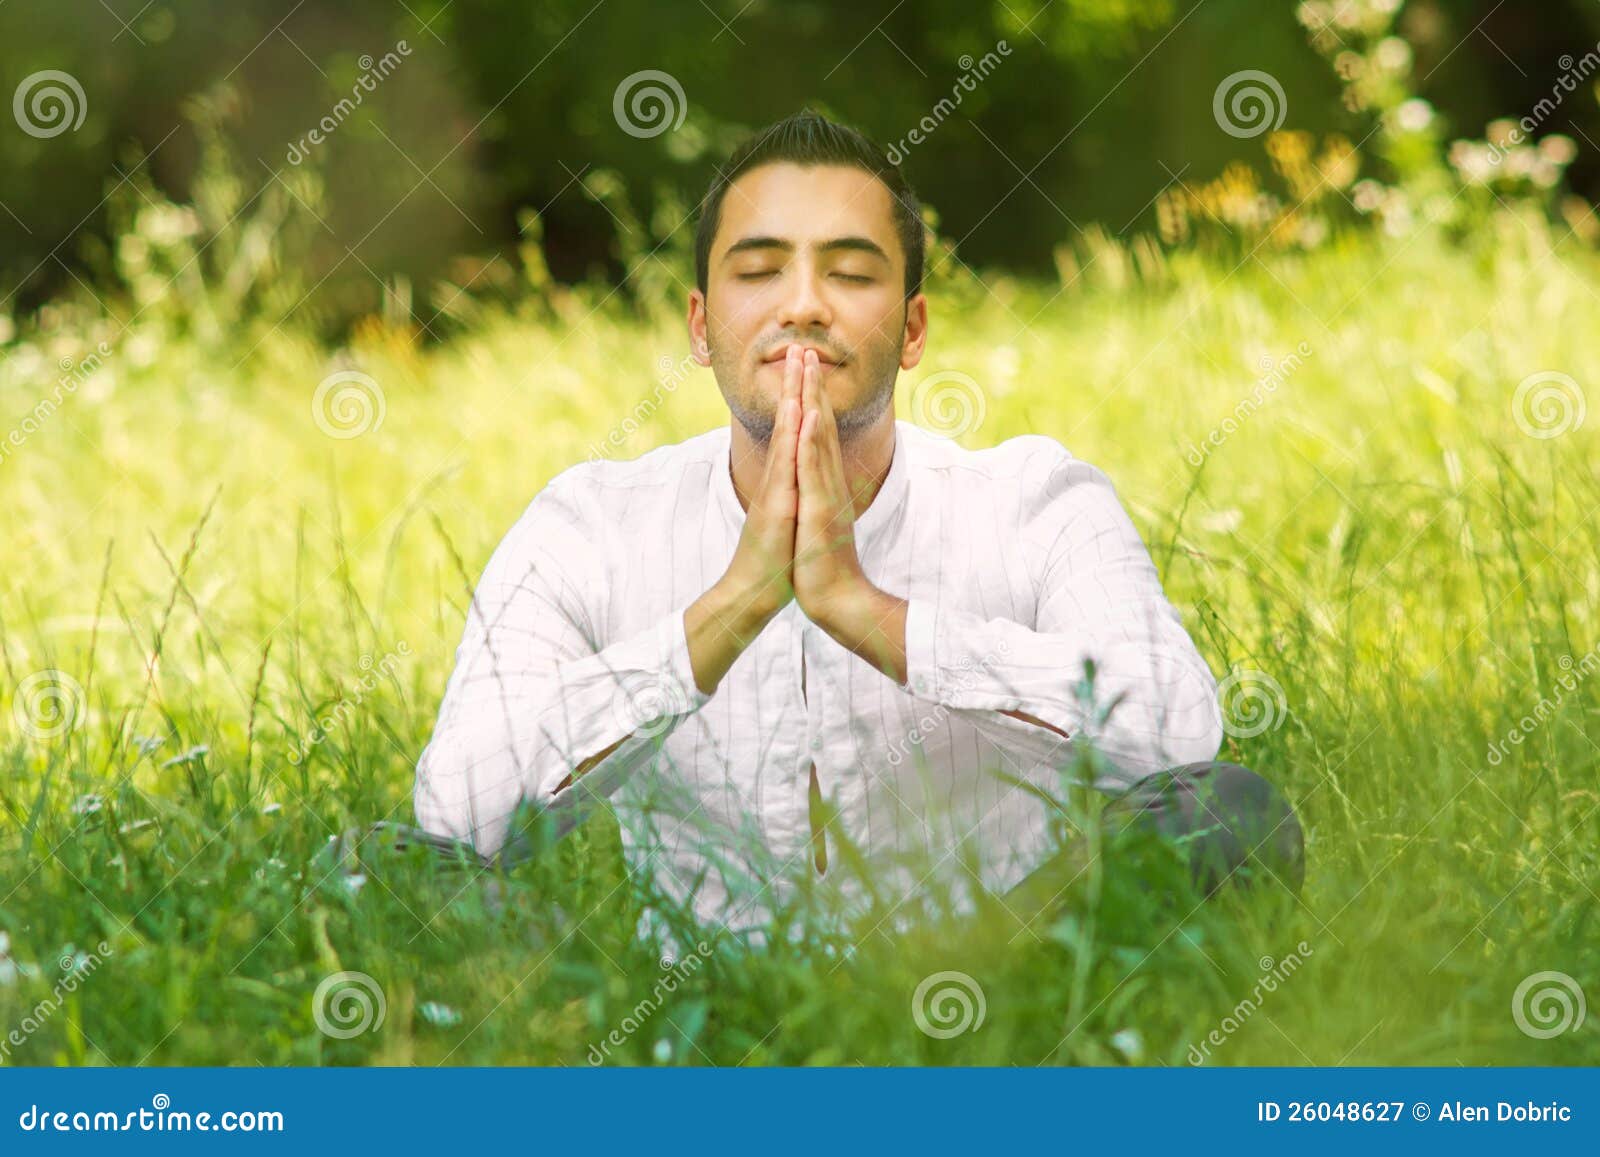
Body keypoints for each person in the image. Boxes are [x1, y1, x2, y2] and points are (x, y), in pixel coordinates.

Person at [407, 108, 1304, 954]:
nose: (803, 305)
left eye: (849, 272)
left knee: (1228, 816)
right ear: (701, 326)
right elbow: (455, 810)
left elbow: (1181, 731)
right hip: (693, 1000)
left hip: (999, 973)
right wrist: (729, 609)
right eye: (759, 271)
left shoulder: (1036, 500)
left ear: (912, 329)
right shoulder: (589, 523)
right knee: (380, 871)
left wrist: (868, 611)